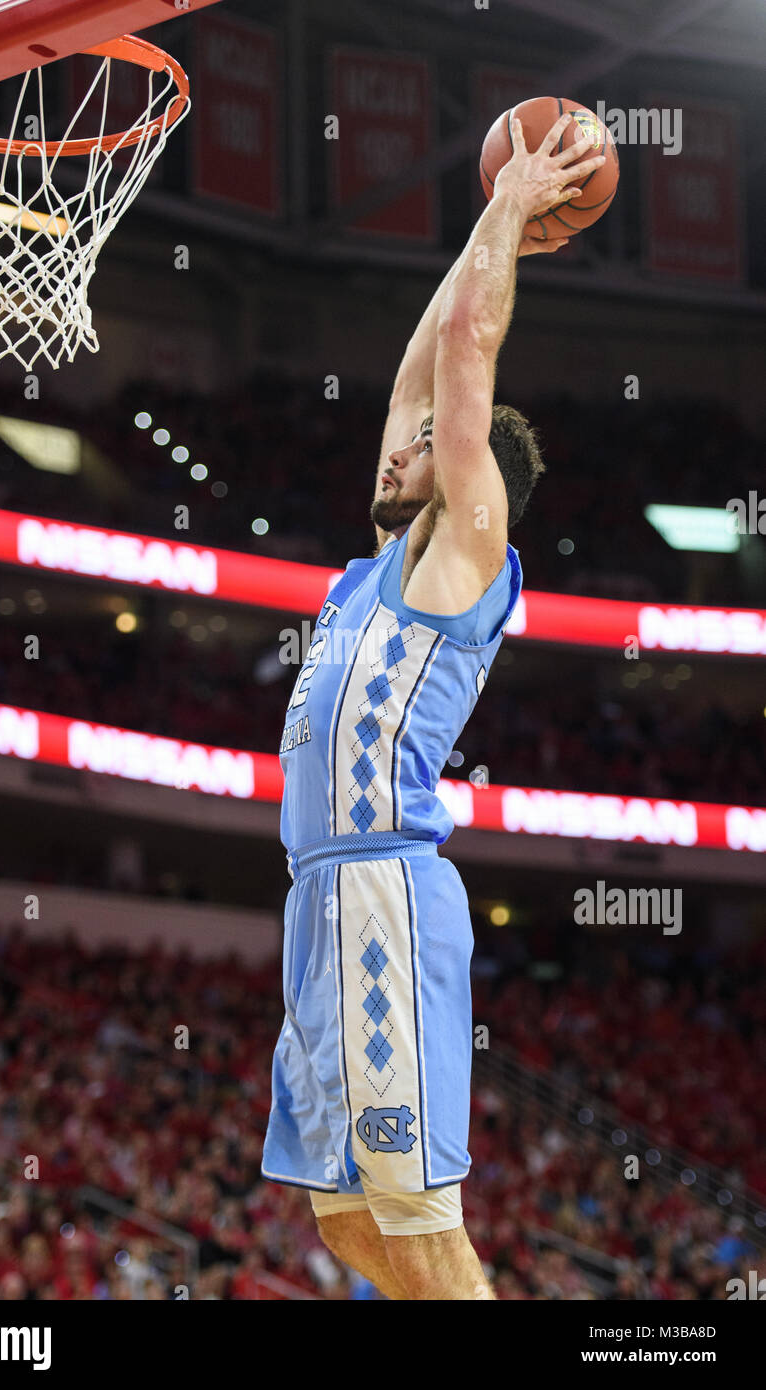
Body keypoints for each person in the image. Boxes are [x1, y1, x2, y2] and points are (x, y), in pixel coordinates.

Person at [262, 113, 606, 1300]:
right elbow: (422, 367)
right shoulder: (372, 566)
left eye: (419, 446)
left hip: (383, 890)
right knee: (344, 1217)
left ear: (467, 476)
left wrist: (513, 204)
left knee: (413, 1209)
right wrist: (481, 230)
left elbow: (463, 362)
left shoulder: (463, 544)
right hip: (319, 893)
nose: (392, 447)